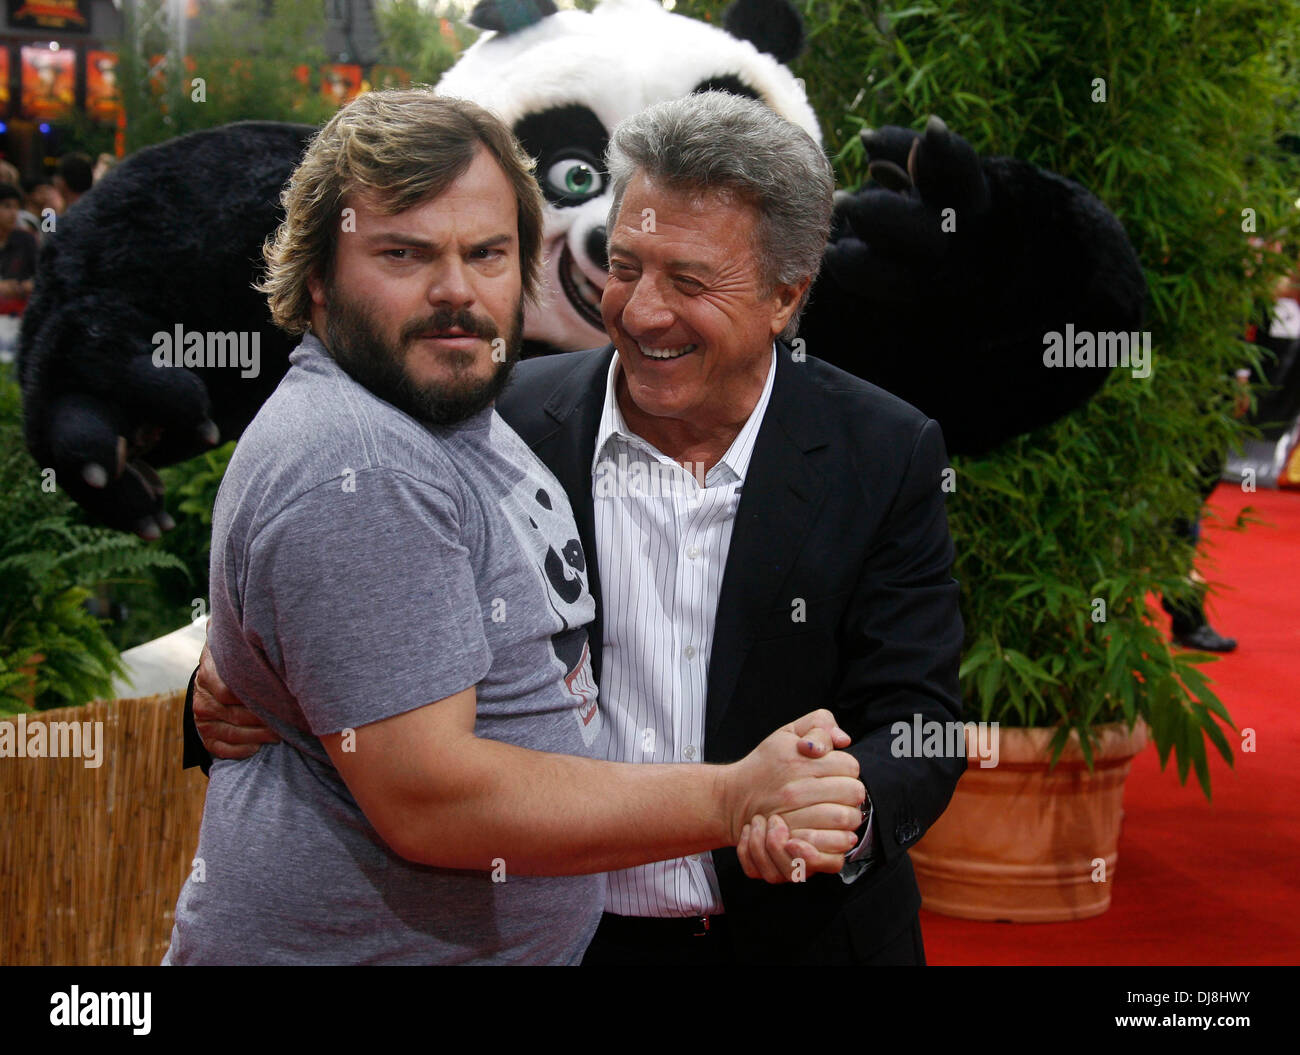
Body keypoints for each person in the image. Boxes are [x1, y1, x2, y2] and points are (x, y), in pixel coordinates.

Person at [193, 91, 965, 965]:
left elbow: (920, 715)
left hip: (805, 939)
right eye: (627, 265)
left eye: (690, 280)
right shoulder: (492, 414)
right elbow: (334, 577)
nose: (641, 311)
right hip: (582, 948)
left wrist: (837, 811)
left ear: (786, 295)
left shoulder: (885, 449)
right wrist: (232, 672)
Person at [0, 183, 37, 317]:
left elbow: (41, 275)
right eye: (6, 206)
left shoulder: (26, 240)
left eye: (16, 207)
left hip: (18, 314)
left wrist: (25, 286)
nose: (13, 213)